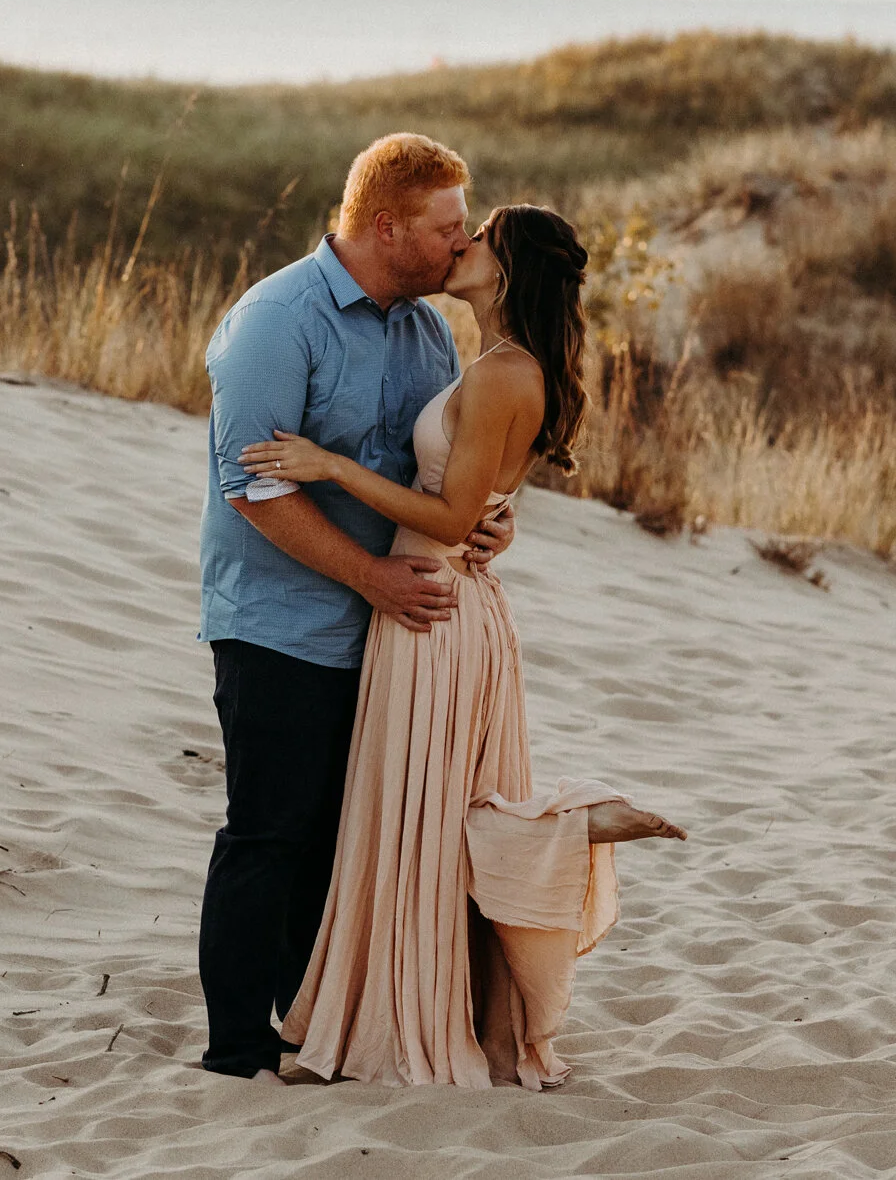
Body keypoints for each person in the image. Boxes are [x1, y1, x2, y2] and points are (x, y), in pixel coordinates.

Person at [242, 204, 687, 1090]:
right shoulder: (491, 365)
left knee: (431, 819)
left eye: (478, 234)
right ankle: (458, 998)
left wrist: (330, 466)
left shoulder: (504, 373)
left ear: (508, 265)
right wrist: (498, 518)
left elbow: (449, 515)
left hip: (434, 613)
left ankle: (565, 826)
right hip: (444, 603)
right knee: (430, 817)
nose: (461, 244)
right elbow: (476, 496)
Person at [194, 133, 514, 1083]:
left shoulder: (425, 329)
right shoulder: (273, 322)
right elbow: (251, 488)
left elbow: (439, 477)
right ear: (388, 226)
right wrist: (369, 576)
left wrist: (483, 529)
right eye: (447, 228)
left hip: (388, 636)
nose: (461, 245)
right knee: (269, 832)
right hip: (278, 622)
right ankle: (237, 1050)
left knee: (346, 839)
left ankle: (316, 1028)